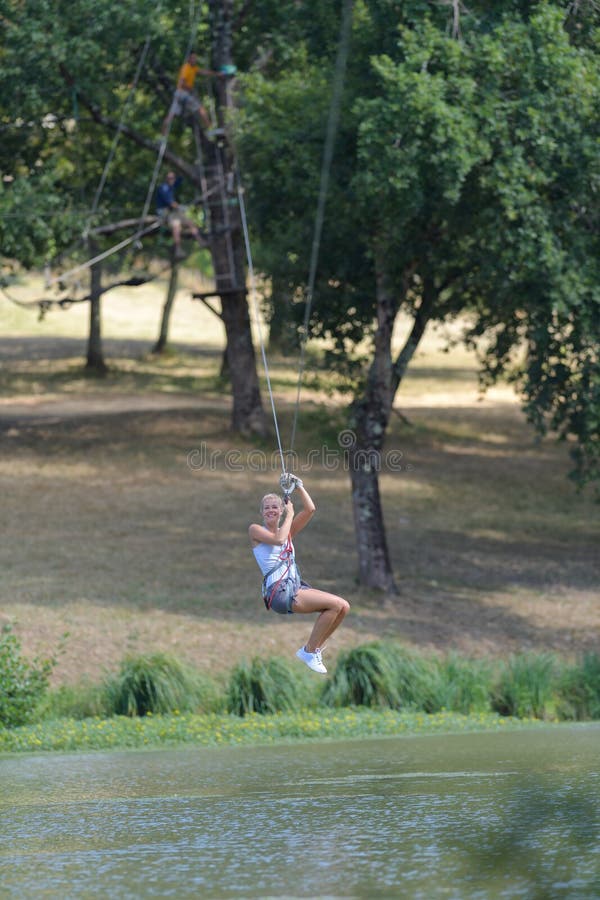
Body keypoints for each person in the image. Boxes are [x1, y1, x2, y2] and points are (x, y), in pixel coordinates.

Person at [249, 478, 350, 674]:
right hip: (280, 593)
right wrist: (290, 514)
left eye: (275, 507)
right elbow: (278, 540)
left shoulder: (287, 532)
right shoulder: (255, 530)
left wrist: (299, 486)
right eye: (267, 508)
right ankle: (309, 650)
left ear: (280, 511)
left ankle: (313, 650)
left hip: (294, 588)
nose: (271, 510)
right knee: (336, 605)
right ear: (261, 512)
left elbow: (310, 509)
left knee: (344, 607)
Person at [162, 52, 220, 135]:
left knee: (171, 115)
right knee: (201, 109)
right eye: (193, 58)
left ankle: (162, 137)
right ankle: (211, 129)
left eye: (195, 58)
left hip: (178, 94)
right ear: (188, 59)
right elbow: (182, 83)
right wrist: (191, 89)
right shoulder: (186, 68)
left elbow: (203, 72)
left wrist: (217, 74)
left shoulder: (193, 68)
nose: (195, 60)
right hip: (183, 93)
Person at [156, 171, 204, 259]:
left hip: (174, 211)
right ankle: (178, 249)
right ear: (166, 179)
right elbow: (170, 203)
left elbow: (179, 180)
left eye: (173, 178)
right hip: (165, 212)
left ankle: (201, 241)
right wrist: (181, 207)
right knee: (176, 225)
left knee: (190, 222)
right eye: (170, 178)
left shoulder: (171, 186)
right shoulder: (164, 188)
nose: (172, 180)